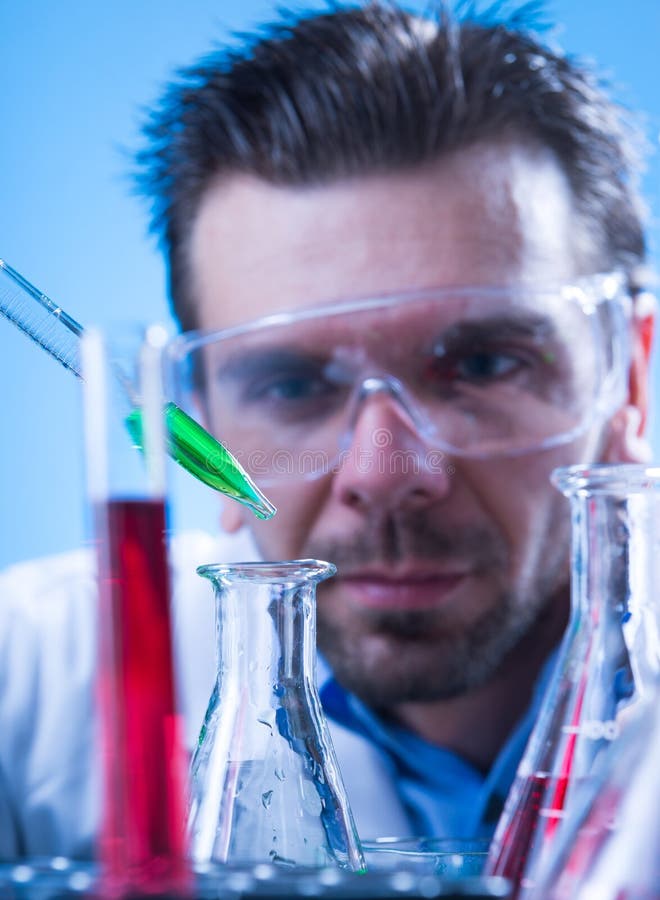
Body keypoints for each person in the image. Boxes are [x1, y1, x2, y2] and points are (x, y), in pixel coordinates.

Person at [0, 0, 655, 860]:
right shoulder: (29, 690)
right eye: (293, 382)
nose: (384, 472)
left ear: (631, 381)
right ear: (192, 415)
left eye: (483, 363)